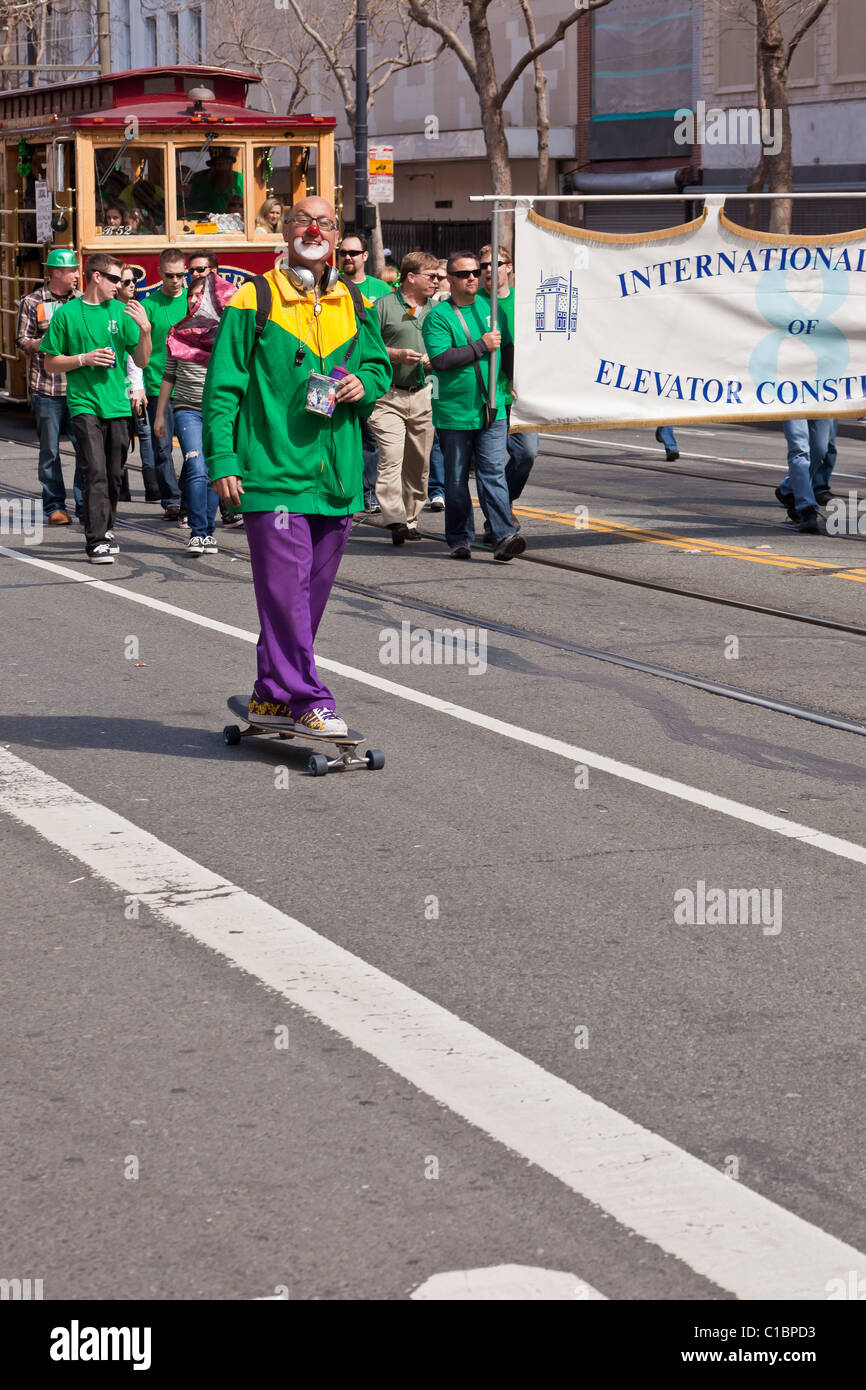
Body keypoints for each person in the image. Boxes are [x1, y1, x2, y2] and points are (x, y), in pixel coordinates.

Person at [203, 196, 391, 734]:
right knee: (286, 593)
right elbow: (222, 389)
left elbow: (378, 367)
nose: (313, 229)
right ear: (284, 231)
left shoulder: (356, 301)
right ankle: (309, 699)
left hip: (336, 478)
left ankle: (269, 691)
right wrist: (222, 458)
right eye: (302, 221)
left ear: (336, 234)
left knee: (306, 598)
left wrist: (364, 383)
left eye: (324, 222)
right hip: (272, 473)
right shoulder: (253, 298)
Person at [42, 252, 151, 563]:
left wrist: (145, 331)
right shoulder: (67, 314)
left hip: (117, 404)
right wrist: (83, 359)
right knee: (95, 471)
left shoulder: (121, 311)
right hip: (83, 404)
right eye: (115, 279)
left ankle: (105, 525)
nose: (120, 285)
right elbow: (50, 362)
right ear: (97, 277)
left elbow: (142, 360)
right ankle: (96, 539)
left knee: (115, 475)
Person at [422, 250, 524, 562]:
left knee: (492, 472)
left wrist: (515, 381)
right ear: (449, 279)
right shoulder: (438, 317)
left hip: (492, 406)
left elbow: (506, 347)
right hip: (454, 412)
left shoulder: (490, 308)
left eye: (475, 273)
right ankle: (459, 538)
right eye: (464, 274)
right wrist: (481, 345)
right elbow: (441, 360)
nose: (472, 278)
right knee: (455, 479)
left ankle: (504, 533)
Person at [154, 257, 236, 555]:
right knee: (197, 467)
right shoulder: (178, 332)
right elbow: (169, 374)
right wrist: (160, 416)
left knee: (215, 469)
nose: (192, 299)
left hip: (218, 411)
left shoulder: (225, 333)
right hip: (186, 409)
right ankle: (198, 531)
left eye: (199, 296)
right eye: (190, 295)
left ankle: (207, 532)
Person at [368, 252, 438, 544]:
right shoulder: (382, 307)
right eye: (431, 276)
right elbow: (365, 347)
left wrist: (435, 359)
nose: (437, 281)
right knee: (392, 457)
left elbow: (448, 348)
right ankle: (395, 519)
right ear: (411, 277)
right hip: (387, 396)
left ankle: (410, 518)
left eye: (438, 277)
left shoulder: (438, 310)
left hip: (423, 396)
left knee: (418, 464)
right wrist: (395, 354)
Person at [16, 247, 84, 526]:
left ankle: (84, 503)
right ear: (56, 273)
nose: (77, 276)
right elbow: (21, 339)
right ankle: (54, 506)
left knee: (85, 448)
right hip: (46, 387)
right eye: (72, 271)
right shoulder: (32, 302)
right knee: (50, 451)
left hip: (79, 388)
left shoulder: (81, 301)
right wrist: (40, 344)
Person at [477, 242, 539, 546]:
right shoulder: (473, 302)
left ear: (509, 267)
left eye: (495, 264)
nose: (489, 270)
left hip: (522, 396)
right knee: (489, 464)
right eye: (484, 266)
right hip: (489, 396)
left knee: (526, 454)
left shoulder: (523, 302)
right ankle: (498, 518)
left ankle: (503, 505)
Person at [337, 233, 392, 512]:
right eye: (343, 252)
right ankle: (345, 488)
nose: (348, 257)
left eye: (353, 253)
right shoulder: (331, 286)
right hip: (337, 378)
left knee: (370, 439)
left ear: (365, 256)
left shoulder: (381, 290)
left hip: (367, 378)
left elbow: (388, 338)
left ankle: (369, 491)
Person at [143, 249, 188, 519]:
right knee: (162, 448)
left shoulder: (192, 302)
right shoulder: (149, 305)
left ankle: (186, 495)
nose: (175, 280)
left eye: (180, 275)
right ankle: (171, 500)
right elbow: (139, 349)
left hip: (189, 386)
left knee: (191, 446)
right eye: (169, 275)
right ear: (160, 273)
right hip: (157, 385)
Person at [114, 263, 148, 501]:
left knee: (141, 432)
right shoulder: (113, 311)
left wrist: (137, 384)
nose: (132, 285)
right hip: (115, 384)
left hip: (132, 381)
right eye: (126, 282)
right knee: (120, 437)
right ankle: (120, 486)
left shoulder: (136, 310)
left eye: (133, 280)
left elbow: (136, 357)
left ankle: (153, 486)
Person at [775, 417, 834, 533]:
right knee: (799, 450)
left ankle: (788, 488)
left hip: (820, 403)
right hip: (793, 402)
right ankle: (806, 509)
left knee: (819, 451)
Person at [188, 147, 243, 214]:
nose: (221, 167)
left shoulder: (240, 178)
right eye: (218, 164)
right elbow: (191, 206)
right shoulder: (199, 178)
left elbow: (247, 204)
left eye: (225, 163)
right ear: (212, 166)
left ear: (230, 164)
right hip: (206, 222)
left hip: (233, 222)